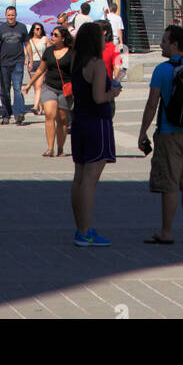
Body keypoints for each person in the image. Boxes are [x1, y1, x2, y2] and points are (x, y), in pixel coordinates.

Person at [138, 24, 183, 245]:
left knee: (169, 185)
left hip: (169, 134)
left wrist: (142, 132)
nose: (161, 44)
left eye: (165, 40)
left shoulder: (162, 70)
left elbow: (151, 105)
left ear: (175, 44)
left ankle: (166, 232)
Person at [70, 21, 120, 247]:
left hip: (79, 120)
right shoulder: (97, 64)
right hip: (96, 121)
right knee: (90, 179)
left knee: (79, 176)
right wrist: (114, 92)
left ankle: (80, 227)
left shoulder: (76, 61)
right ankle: (86, 230)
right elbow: (100, 97)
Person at [24, 25, 72, 157]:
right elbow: (40, 69)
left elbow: (76, 72)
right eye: (52, 34)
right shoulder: (49, 51)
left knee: (62, 119)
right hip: (49, 86)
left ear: (63, 38)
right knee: (49, 115)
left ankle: (60, 148)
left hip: (65, 90)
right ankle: (50, 148)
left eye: (56, 35)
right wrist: (29, 85)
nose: (52, 37)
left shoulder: (71, 52)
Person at [0, 6, 31, 126]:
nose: (11, 17)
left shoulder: (22, 27)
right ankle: (6, 114)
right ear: (6, 15)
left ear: (16, 15)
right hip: (4, 63)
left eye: (12, 15)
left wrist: (29, 58)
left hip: (18, 62)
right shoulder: (1, 28)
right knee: (4, 91)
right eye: (9, 15)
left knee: (17, 88)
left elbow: (27, 44)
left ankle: (19, 114)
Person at [27, 22, 49, 115]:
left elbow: (50, 51)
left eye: (40, 29)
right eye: (37, 29)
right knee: (35, 87)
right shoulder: (29, 40)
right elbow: (25, 51)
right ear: (33, 30)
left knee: (39, 85)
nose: (39, 30)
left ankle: (35, 106)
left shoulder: (45, 39)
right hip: (32, 63)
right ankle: (40, 106)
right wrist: (25, 60)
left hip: (42, 63)